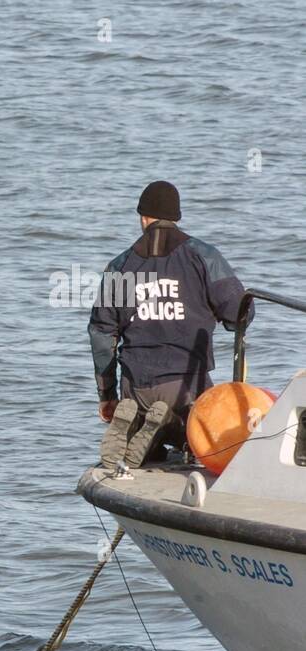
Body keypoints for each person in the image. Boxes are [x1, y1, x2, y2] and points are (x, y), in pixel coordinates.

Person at [88, 181, 252, 467]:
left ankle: (138, 423)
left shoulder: (120, 266)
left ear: (143, 218)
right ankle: (167, 424)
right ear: (176, 217)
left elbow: (102, 334)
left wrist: (107, 395)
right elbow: (240, 314)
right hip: (186, 385)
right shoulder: (203, 256)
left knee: (143, 450)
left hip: (134, 385)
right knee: (201, 445)